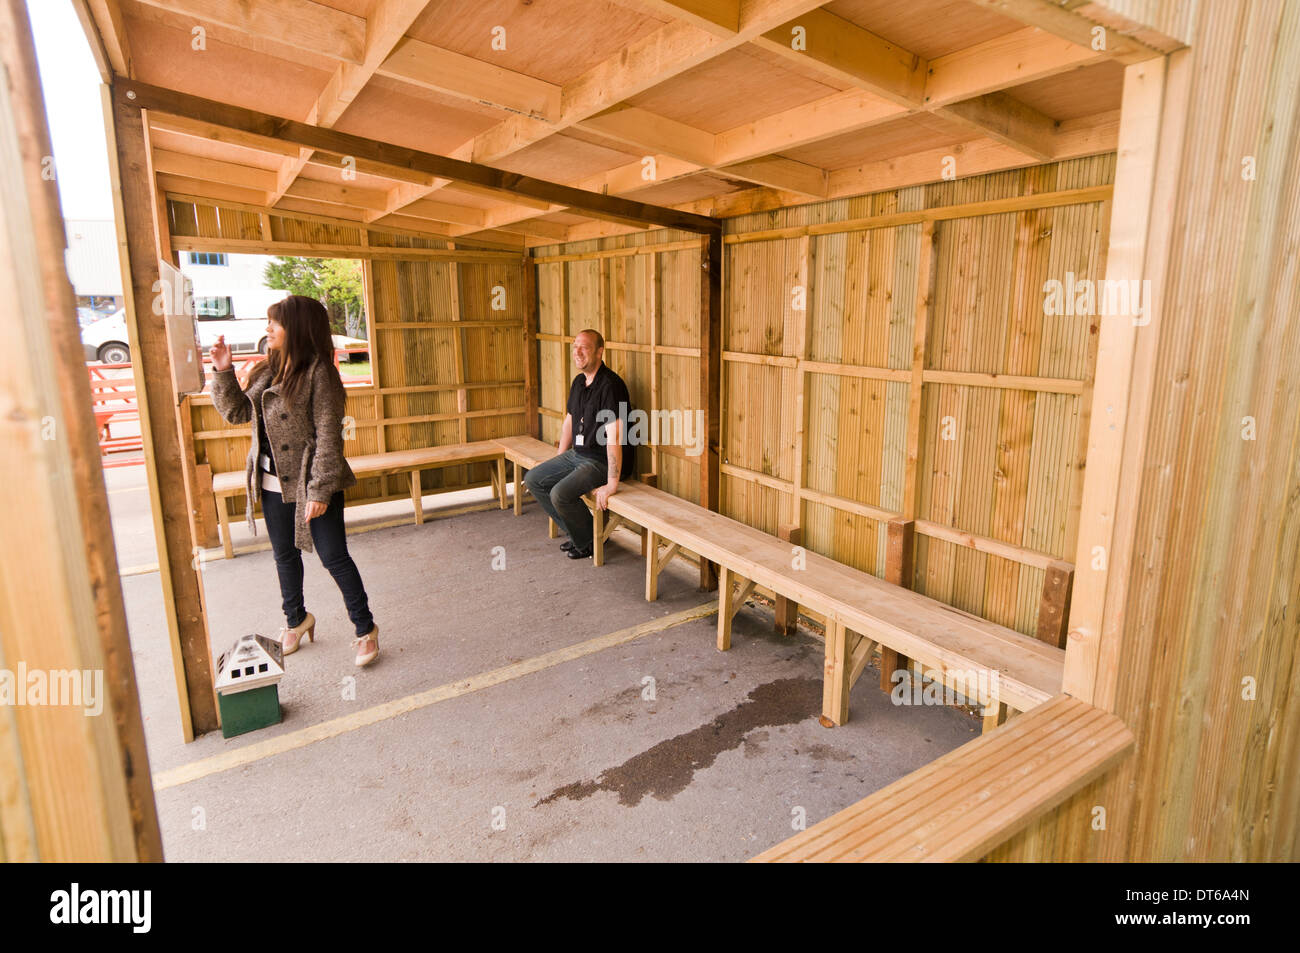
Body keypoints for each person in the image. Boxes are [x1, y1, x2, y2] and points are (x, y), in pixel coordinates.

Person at [208, 295, 380, 667]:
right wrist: (223, 370)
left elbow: (329, 436)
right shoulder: (269, 370)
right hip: (271, 480)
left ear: (297, 328)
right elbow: (238, 413)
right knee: (284, 556)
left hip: (312, 480)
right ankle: (296, 620)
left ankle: (366, 630)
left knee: (334, 557)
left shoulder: (321, 373)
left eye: (275, 323)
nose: (268, 329)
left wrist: (319, 490)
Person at [525, 329, 634, 560]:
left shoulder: (611, 385)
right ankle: (583, 535)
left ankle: (590, 541)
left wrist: (612, 484)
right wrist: (557, 459)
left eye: (584, 347)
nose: (577, 352)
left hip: (601, 460)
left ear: (599, 351)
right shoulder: (579, 382)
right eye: (575, 347)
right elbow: (569, 422)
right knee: (534, 479)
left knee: (559, 494)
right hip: (578, 454)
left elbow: (614, 436)